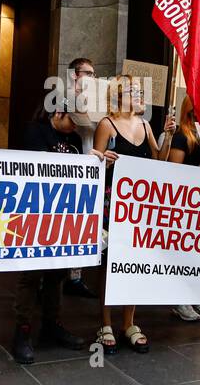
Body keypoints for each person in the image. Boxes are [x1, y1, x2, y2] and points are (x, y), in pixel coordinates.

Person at [93, 74, 170, 353]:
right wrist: (101, 158)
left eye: (139, 91)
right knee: (110, 264)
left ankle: (129, 322)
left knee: (134, 263)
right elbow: (95, 163)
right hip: (113, 205)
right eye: (133, 91)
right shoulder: (107, 124)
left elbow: (160, 159)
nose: (139, 95)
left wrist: (168, 135)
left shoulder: (146, 125)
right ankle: (105, 323)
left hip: (141, 207)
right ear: (117, 96)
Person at [10, 101, 90, 363]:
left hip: (64, 215)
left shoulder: (75, 138)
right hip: (36, 213)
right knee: (31, 276)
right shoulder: (36, 131)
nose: (76, 125)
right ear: (58, 113)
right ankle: (22, 332)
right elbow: (37, 166)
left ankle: (51, 325)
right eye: (72, 119)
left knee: (58, 273)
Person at [168, 95, 200, 322]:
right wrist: (199, 168)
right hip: (185, 202)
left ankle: (198, 295)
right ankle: (180, 298)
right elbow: (173, 170)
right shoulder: (181, 135)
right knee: (184, 252)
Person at [63, 57, 101, 300]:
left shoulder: (97, 101)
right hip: (71, 166)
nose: (93, 78)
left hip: (92, 167)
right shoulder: (64, 99)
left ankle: (75, 276)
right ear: (75, 76)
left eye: (94, 74)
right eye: (88, 73)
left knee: (84, 222)